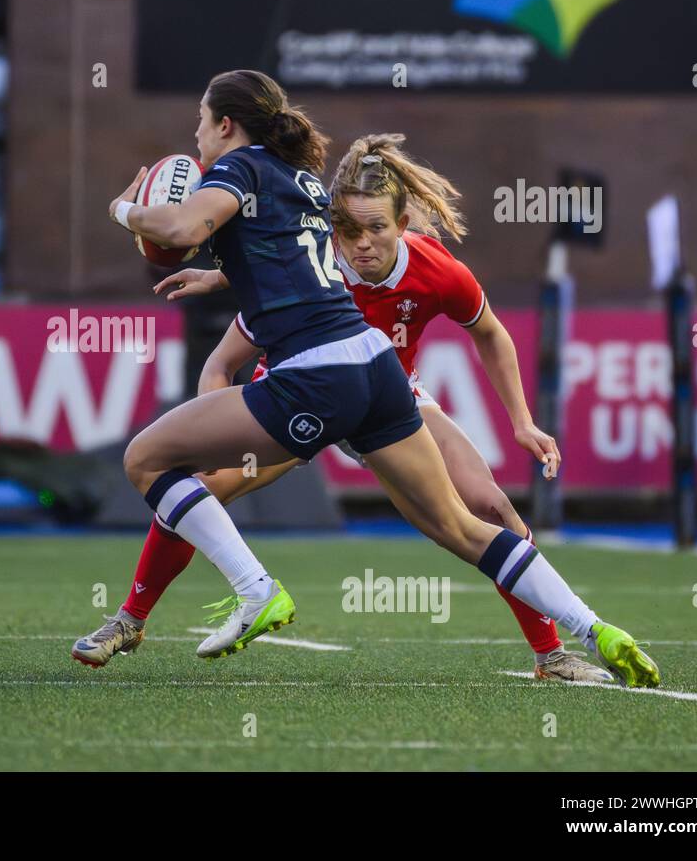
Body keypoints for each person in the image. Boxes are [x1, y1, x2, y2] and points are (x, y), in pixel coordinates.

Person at [81, 69, 657, 688]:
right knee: (451, 527)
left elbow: (182, 230)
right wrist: (220, 280)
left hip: (317, 385)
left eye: (375, 229)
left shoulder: (257, 177)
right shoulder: (303, 189)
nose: (359, 244)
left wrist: (123, 207)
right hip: (369, 376)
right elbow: (276, 259)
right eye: (349, 230)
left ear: (403, 224)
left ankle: (260, 593)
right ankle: (594, 627)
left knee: (153, 461)